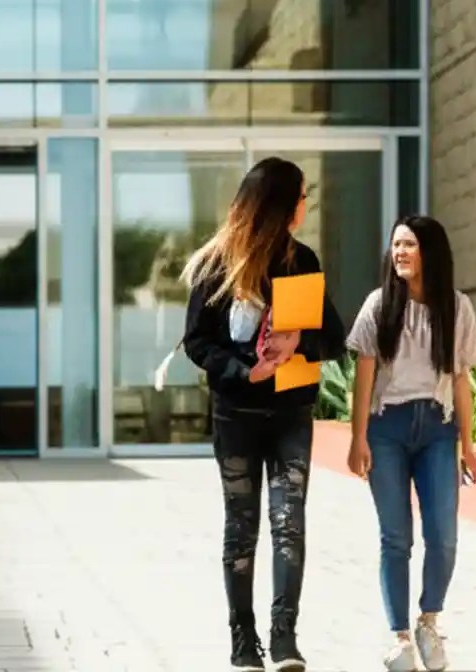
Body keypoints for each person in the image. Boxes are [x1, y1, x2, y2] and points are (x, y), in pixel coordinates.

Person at [181, 156, 346, 672]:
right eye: (301, 197)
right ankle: (242, 639)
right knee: (241, 527)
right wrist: (242, 370)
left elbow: (334, 339)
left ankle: (284, 638)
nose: (305, 206)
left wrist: (301, 339)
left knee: (289, 523)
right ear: (281, 204)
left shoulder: (303, 260)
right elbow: (197, 342)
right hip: (238, 416)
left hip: (292, 412)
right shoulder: (217, 265)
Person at [344, 215, 476, 672]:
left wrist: (468, 443)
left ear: (430, 251)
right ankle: (400, 638)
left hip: (437, 429)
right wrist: (358, 437)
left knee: (443, 536)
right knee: (396, 538)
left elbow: (461, 380)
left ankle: (429, 620)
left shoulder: (456, 307)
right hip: (386, 428)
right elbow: (363, 375)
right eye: (396, 246)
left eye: (409, 245)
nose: (401, 253)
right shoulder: (378, 305)